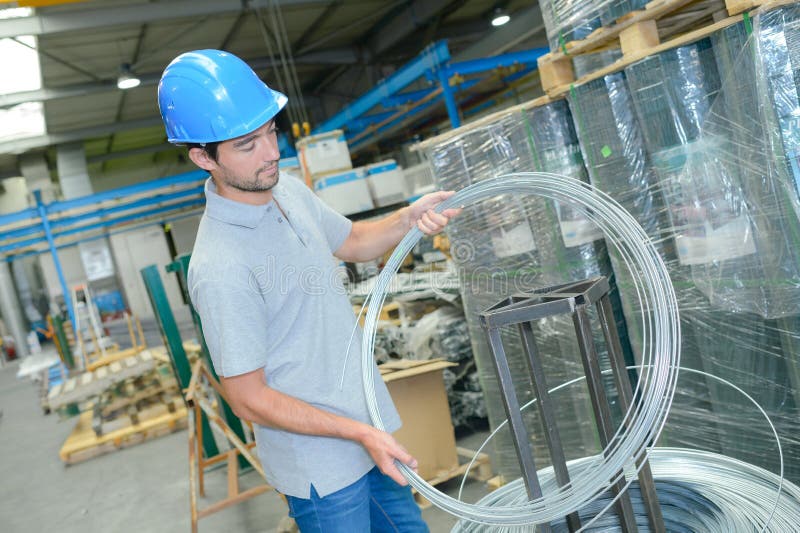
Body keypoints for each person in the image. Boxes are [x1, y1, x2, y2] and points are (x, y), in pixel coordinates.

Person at [158, 49, 459, 532]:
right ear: (202, 157)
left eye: (270, 132)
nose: (271, 152)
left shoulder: (288, 191)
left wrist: (408, 217)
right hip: (321, 467)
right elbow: (248, 398)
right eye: (246, 144)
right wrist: (355, 432)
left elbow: (355, 241)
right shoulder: (219, 266)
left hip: (369, 434)